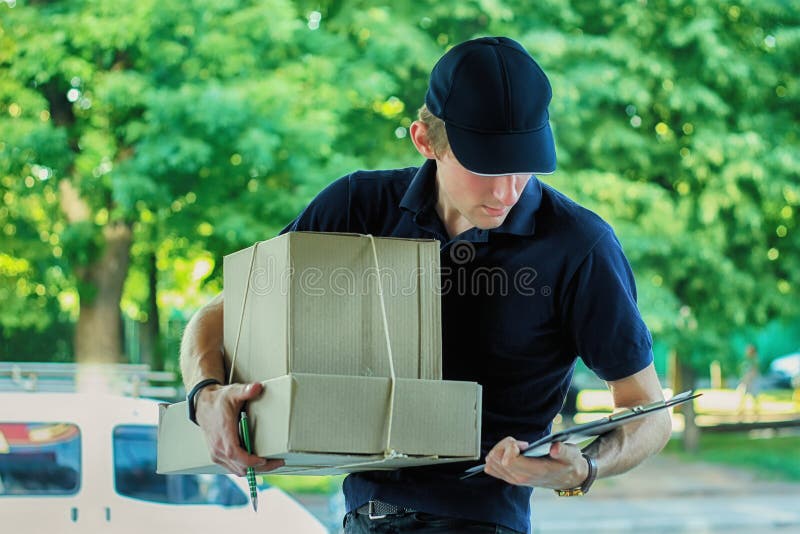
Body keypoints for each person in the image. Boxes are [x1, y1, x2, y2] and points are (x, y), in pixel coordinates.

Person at [180, 36, 672, 534]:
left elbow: (649, 412)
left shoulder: (579, 246)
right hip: (359, 516)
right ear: (424, 141)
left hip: (480, 522)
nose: (506, 191)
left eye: (522, 165)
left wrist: (586, 467)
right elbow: (216, 316)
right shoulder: (356, 208)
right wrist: (205, 396)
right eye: (484, 166)